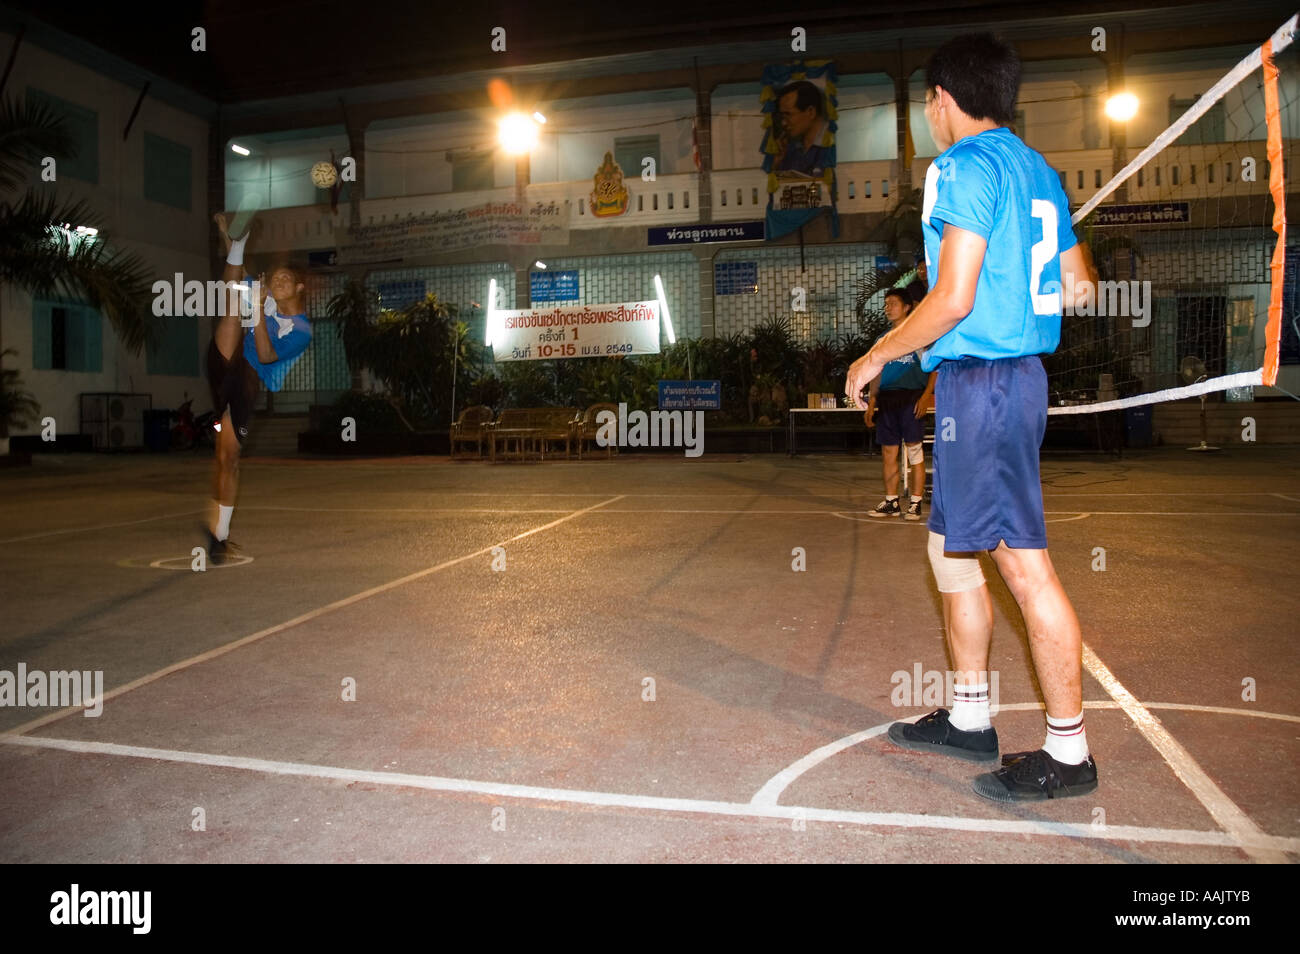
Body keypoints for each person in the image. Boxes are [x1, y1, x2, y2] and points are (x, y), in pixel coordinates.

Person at [844, 33, 1100, 801]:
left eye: (927, 103)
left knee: (1023, 567)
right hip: (994, 381)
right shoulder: (1037, 169)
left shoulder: (961, 165)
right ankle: (968, 718)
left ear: (941, 102)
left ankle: (1068, 752)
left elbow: (952, 297)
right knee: (950, 554)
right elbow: (1081, 287)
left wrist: (875, 356)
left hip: (985, 385)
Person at [203, 211, 313, 564]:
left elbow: (265, 356)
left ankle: (219, 536)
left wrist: (261, 311)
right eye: (275, 276)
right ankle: (239, 244)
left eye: (285, 278)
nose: (277, 280)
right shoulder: (261, 295)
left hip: (249, 379)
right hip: (226, 355)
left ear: (298, 288)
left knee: (228, 458)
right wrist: (225, 234)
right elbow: (238, 278)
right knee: (235, 300)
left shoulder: (301, 330)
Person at [864, 288, 935, 520]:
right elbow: (875, 372)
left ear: (907, 307)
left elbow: (934, 368)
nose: (888, 308)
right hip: (887, 399)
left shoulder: (919, 335)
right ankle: (891, 501)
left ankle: (915, 503)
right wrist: (871, 401)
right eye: (886, 304)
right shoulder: (882, 339)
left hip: (912, 397)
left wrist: (925, 397)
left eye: (893, 303)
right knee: (888, 452)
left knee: (914, 450)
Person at [775, 81, 829, 177]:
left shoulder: (831, 145)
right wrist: (777, 163)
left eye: (788, 114)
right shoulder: (789, 149)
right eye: (782, 116)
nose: (783, 123)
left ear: (811, 112)